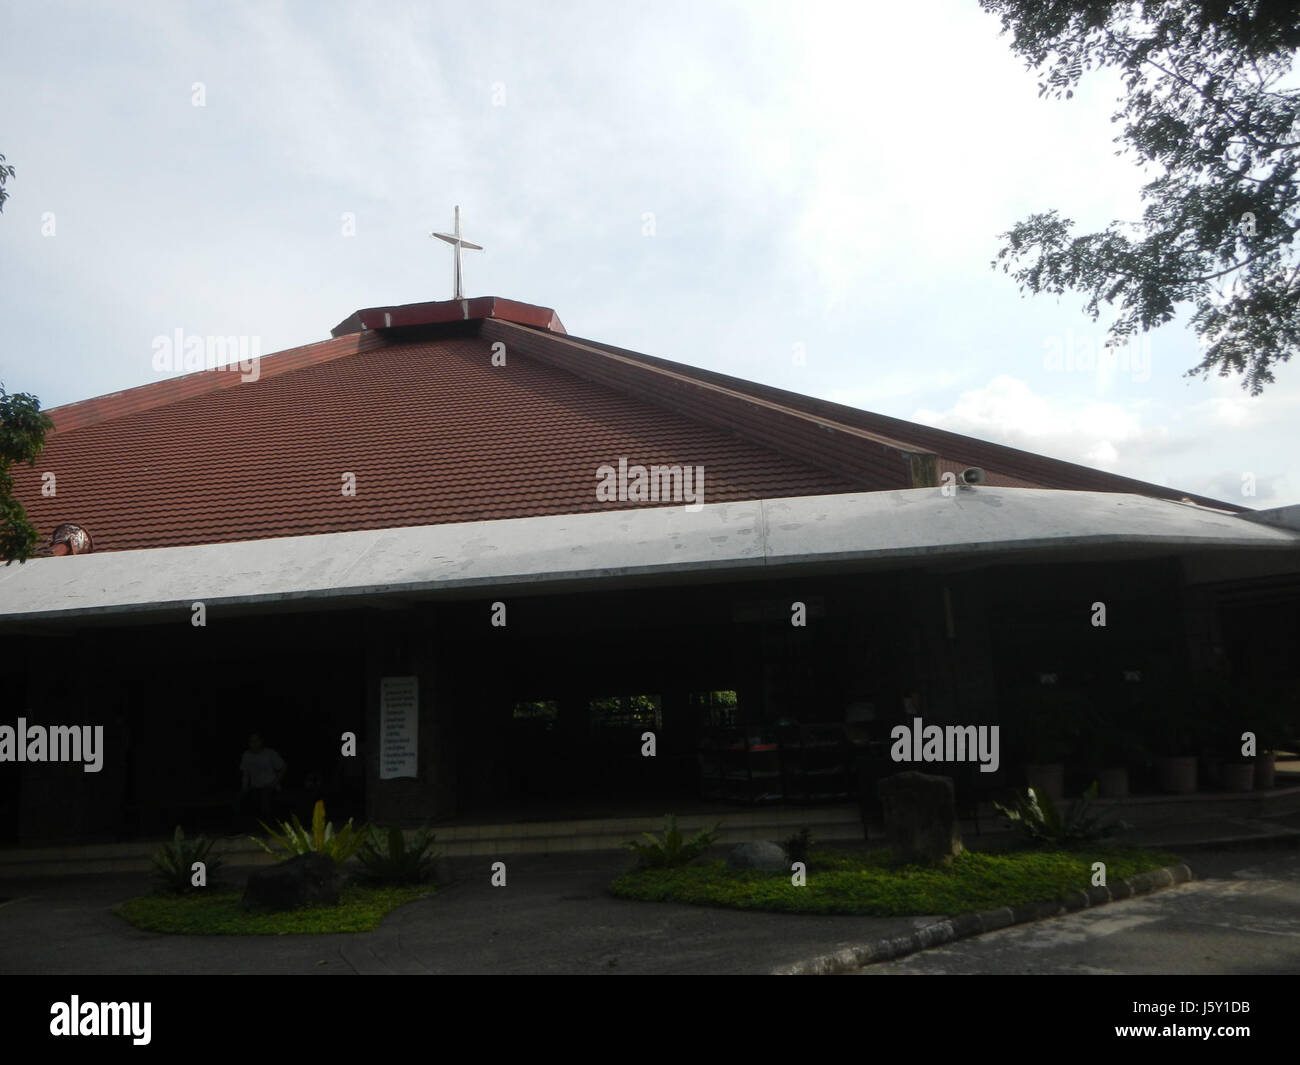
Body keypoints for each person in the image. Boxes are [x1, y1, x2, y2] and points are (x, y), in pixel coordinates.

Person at [238, 732, 286, 827]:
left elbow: (283, 767)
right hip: (255, 787)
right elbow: (245, 774)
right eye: (251, 741)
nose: (254, 744)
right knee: (240, 801)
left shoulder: (270, 753)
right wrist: (243, 790)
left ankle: (269, 828)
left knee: (265, 802)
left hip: (270, 787)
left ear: (261, 741)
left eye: (256, 741)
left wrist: (275, 782)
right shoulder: (247, 755)